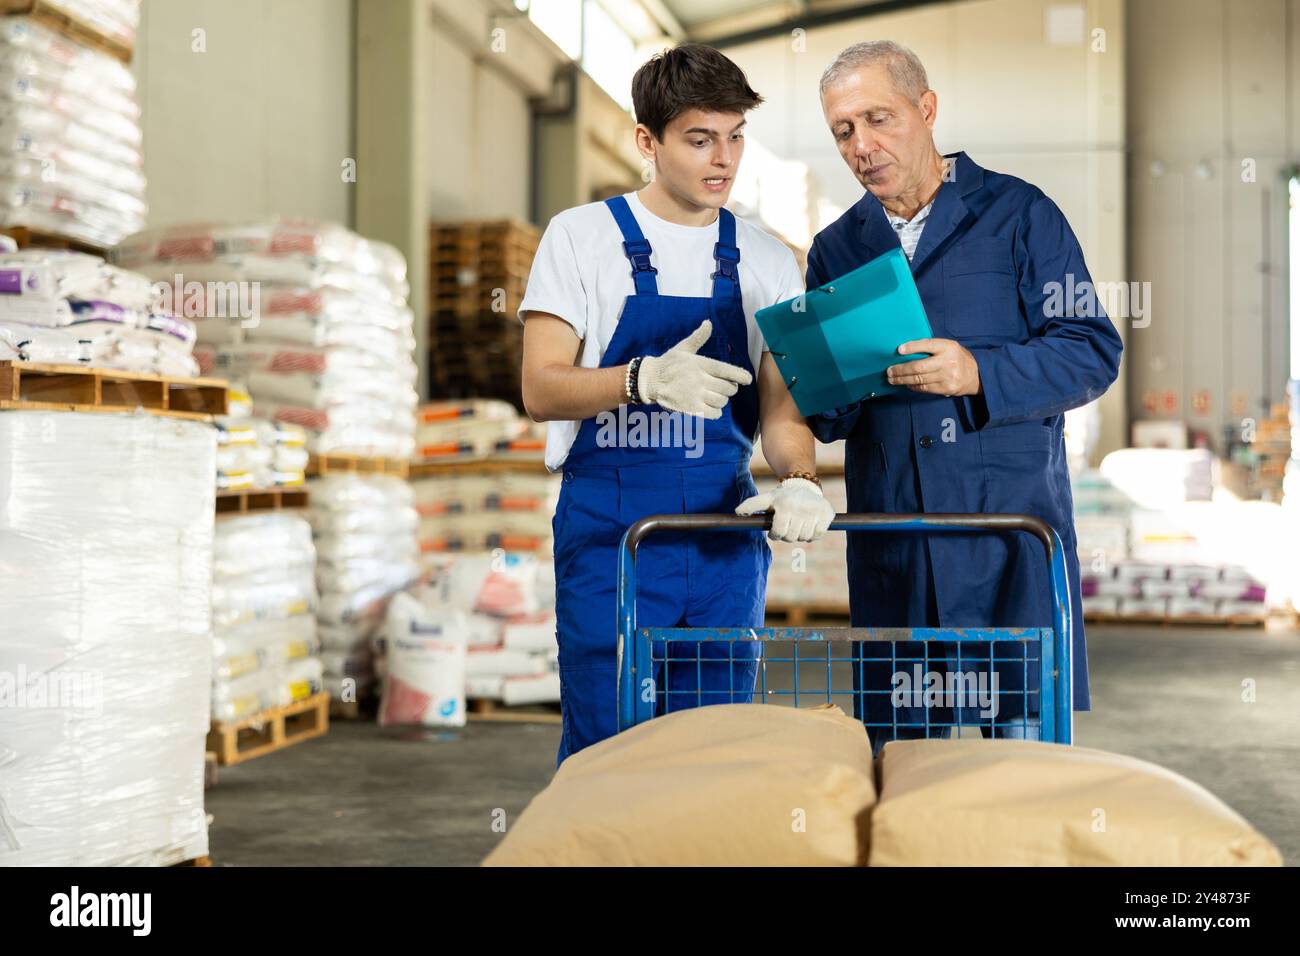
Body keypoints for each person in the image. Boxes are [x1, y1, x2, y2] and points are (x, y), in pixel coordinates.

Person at [520, 44, 836, 766]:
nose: (722, 159)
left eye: (734, 137)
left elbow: (782, 407)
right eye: (699, 139)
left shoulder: (765, 258)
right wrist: (637, 381)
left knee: (717, 746)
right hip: (613, 532)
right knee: (611, 744)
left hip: (723, 529)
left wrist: (799, 478)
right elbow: (541, 386)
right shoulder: (581, 237)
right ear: (647, 141)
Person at [807, 40, 1123, 749]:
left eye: (878, 119)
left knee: (1020, 761)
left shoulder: (1019, 214)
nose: (862, 145)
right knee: (903, 762)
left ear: (927, 110)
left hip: (1007, 537)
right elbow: (831, 417)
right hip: (896, 543)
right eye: (844, 131)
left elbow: (1092, 351)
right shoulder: (837, 248)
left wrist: (978, 373)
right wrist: (819, 374)